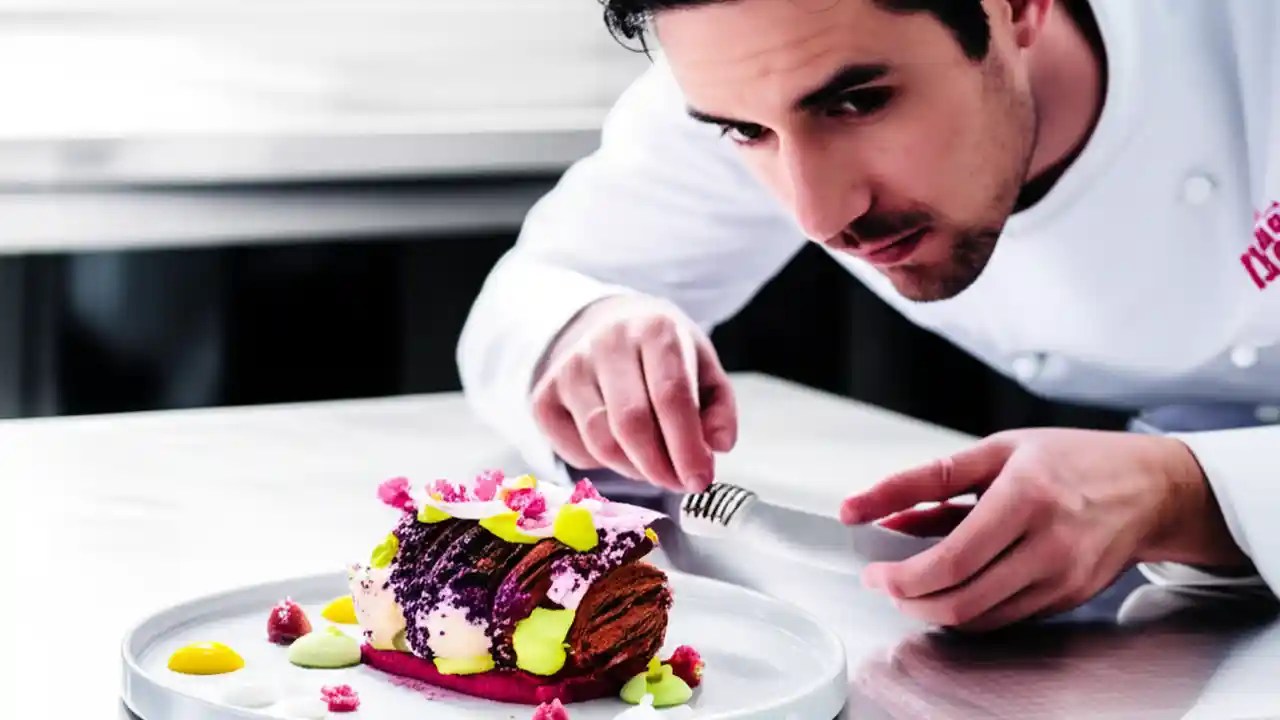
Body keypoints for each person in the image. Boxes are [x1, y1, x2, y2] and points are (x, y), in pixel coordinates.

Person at [458, 0, 1280, 630]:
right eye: (746, 131)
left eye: (858, 103)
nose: (818, 216)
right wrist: (590, 330)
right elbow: (535, 289)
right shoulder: (750, 62)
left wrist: (1190, 493)